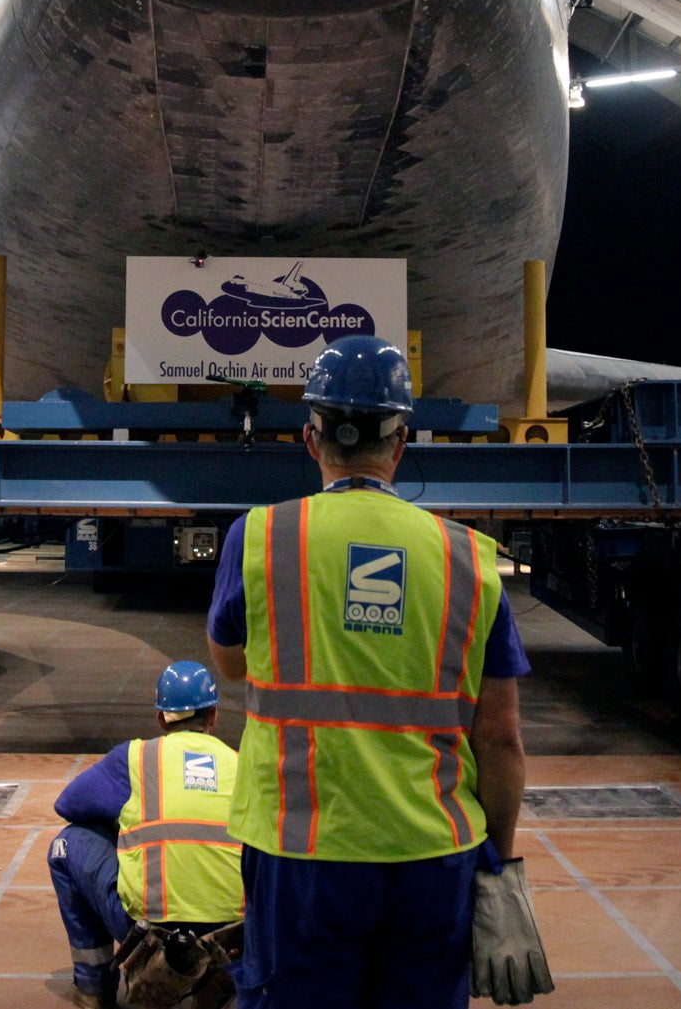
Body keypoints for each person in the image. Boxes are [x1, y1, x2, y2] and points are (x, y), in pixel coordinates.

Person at [206, 335, 545, 1008]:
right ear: (401, 440)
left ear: (312, 436)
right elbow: (501, 738)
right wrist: (500, 865)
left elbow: (232, 664)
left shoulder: (261, 538)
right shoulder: (470, 561)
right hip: (433, 853)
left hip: (300, 853)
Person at [49, 660, 245, 1008]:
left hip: (152, 936)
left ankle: (94, 987)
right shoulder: (240, 763)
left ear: (160, 718)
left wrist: (124, 825)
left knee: (66, 844)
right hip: (231, 937)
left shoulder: (136, 758)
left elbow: (69, 804)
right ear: (213, 716)